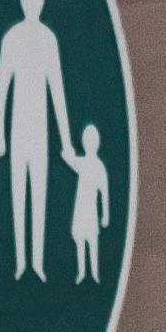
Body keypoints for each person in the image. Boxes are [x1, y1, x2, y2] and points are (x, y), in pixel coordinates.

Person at [0, 0, 71, 280]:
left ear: (41, 0)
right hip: (18, 131)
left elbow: (57, 92)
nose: (33, 1)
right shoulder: (11, 39)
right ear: (23, 0)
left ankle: (37, 263)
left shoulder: (49, 41)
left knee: (39, 195)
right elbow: (1, 89)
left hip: (40, 132)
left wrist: (66, 140)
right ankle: (20, 262)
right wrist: (0, 134)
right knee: (18, 196)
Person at [69, 120, 109, 284]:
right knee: (80, 240)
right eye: (87, 141)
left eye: (92, 141)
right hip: (80, 209)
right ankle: (81, 272)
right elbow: (70, 160)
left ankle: (94, 273)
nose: (90, 144)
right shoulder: (83, 162)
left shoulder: (99, 167)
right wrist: (67, 151)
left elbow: (104, 193)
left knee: (92, 241)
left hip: (91, 211)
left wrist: (105, 215)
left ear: (96, 144)